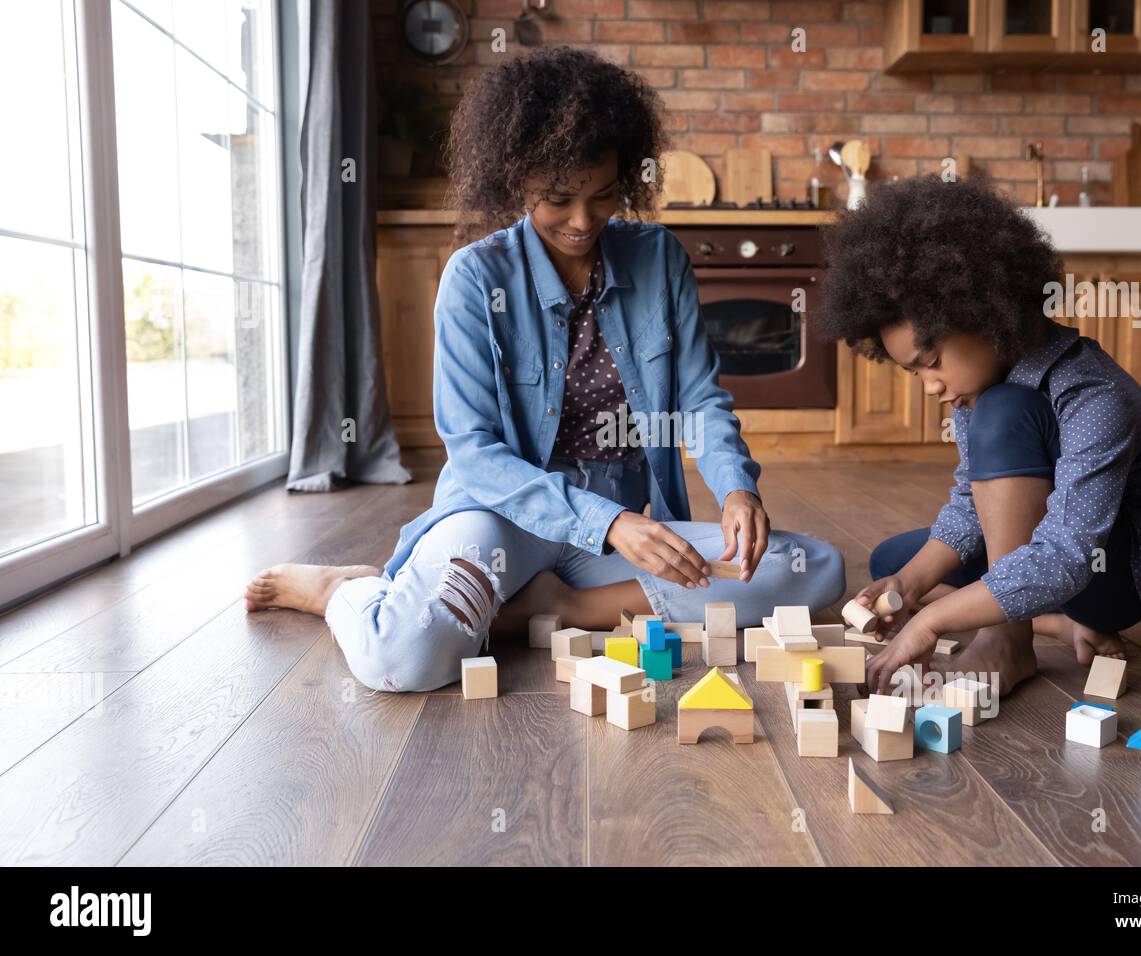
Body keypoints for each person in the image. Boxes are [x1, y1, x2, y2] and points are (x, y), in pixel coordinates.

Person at [244, 47, 844, 692]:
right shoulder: (475, 277)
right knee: (405, 660)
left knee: (812, 567)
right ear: (515, 177)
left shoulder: (658, 257)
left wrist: (735, 489)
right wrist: (606, 521)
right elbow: (474, 452)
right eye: (559, 198)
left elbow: (697, 401)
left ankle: (559, 608)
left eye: (604, 194)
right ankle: (342, 589)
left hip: (619, 534)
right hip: (505, 518)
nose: (583, 221)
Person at [816, 174, 1141, 697]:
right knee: (894, 564)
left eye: (930, 364)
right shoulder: (981, 385)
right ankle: (1055, 624)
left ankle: (1008, 639)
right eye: (914, 373)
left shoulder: (1094, 396)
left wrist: (930, 622)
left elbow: (1067, 555)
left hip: (1116, 571)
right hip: (1051, 562)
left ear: (981, 313)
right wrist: (909, 587)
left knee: (1002, 418)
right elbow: (973, 506)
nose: (930, 387)